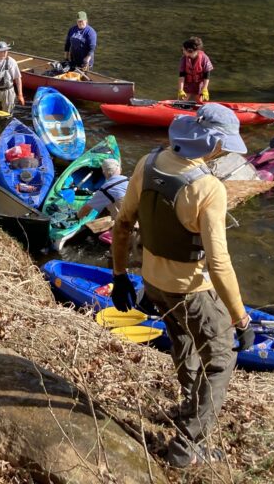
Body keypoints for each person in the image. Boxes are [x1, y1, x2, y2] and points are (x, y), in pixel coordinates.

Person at [109, 104, 255, 468]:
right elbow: (219, 263)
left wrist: (120, 275)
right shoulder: (209, 189)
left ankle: (188, 407)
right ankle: (187, 447)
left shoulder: (148, 162)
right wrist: (241, 318)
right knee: (221, 361)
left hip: (154, 284)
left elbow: (123, 224)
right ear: (214, 144)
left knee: (184, 343)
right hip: (190, 290)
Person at [75, 158, 129, 234]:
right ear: (120, 169)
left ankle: (120, 230)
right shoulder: (128, 179)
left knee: (108, 201)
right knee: (111, 201)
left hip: (130, 225)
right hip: (143, 217)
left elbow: (86, 208)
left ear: (104, 172)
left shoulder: (105, 189)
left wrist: (77, 217)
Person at [178, 37, 213, 102]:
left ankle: (198, 110)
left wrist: (205, 89)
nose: (182, 51)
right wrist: (181, 90)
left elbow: (207, 75)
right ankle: (179, 109)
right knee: (182, 100)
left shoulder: (204, 58)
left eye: (183, 50)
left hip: (199, 83)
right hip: (188, 83)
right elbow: (181, 75)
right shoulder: (184, 59)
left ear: (189, 51)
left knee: (200, 101)